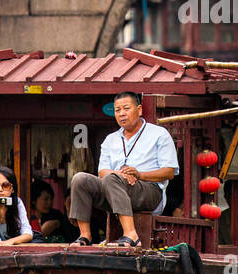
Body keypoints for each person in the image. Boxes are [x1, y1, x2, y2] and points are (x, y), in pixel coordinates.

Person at [67, 91, 178, 248]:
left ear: (139, 110)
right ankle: (85, 235)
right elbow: (102, 171)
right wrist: (122, 175)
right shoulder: (111, 139)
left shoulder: (159, 134)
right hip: (115, 187)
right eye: (117, 110)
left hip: (149, 191)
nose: (121, 114)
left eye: (126, 108)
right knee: (80, 179)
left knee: (111, 179)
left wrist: (139, 175)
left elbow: (169, 172)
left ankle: (131, 235)